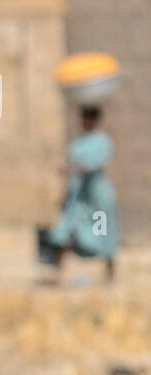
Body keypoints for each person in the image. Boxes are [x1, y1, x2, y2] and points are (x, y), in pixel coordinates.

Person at [43, 105, 118, 282]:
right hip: (78, 198)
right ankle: (56, 274)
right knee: (66, 230)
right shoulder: (77, 144)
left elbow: (93, 165)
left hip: (97, 198)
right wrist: (64, 196)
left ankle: (109, 275)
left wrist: (70, 168)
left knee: (105, 233)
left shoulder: (102, 142)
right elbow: (73, 172)